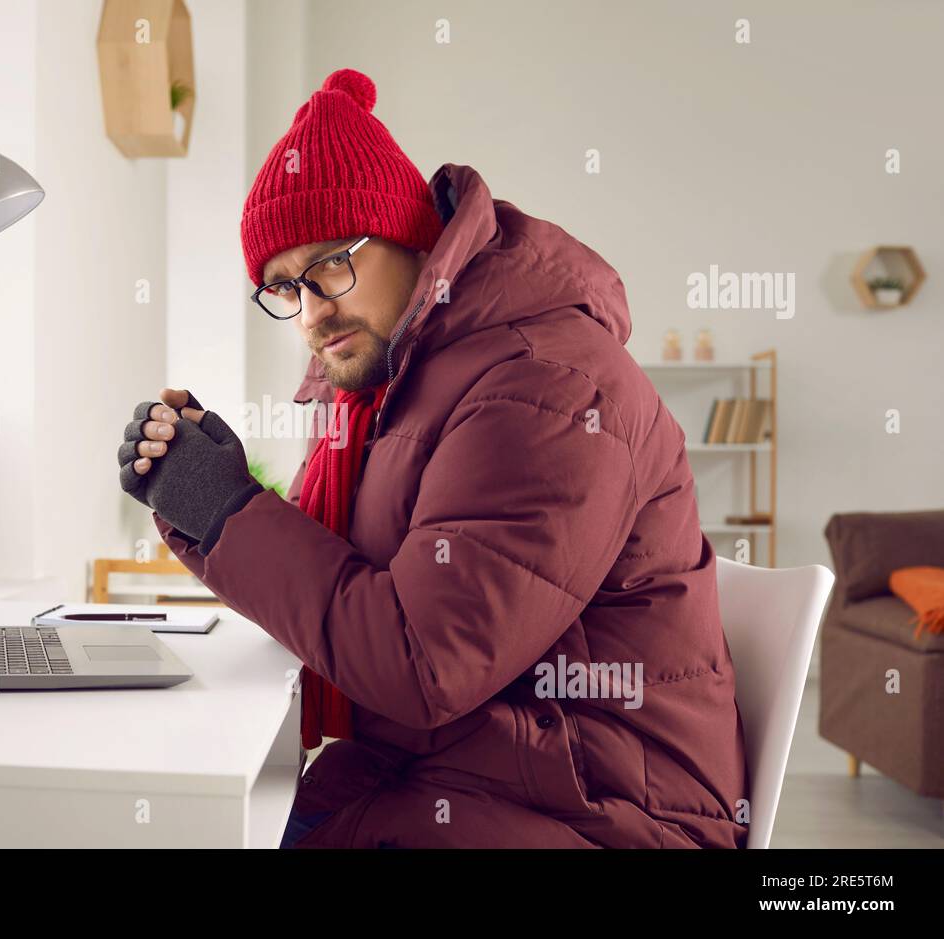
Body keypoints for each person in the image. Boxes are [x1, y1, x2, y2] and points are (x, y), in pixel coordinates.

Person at [117, 67, 748, 849]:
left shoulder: (544, 387)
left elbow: (425, 660)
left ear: (412, 238)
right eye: (284, 288)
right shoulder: (396, 384)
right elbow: (363, 594)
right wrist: (209, 503)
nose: (313, 312)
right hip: (459, 775)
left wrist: (230, 512)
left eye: (331, 264)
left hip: (600, 814)